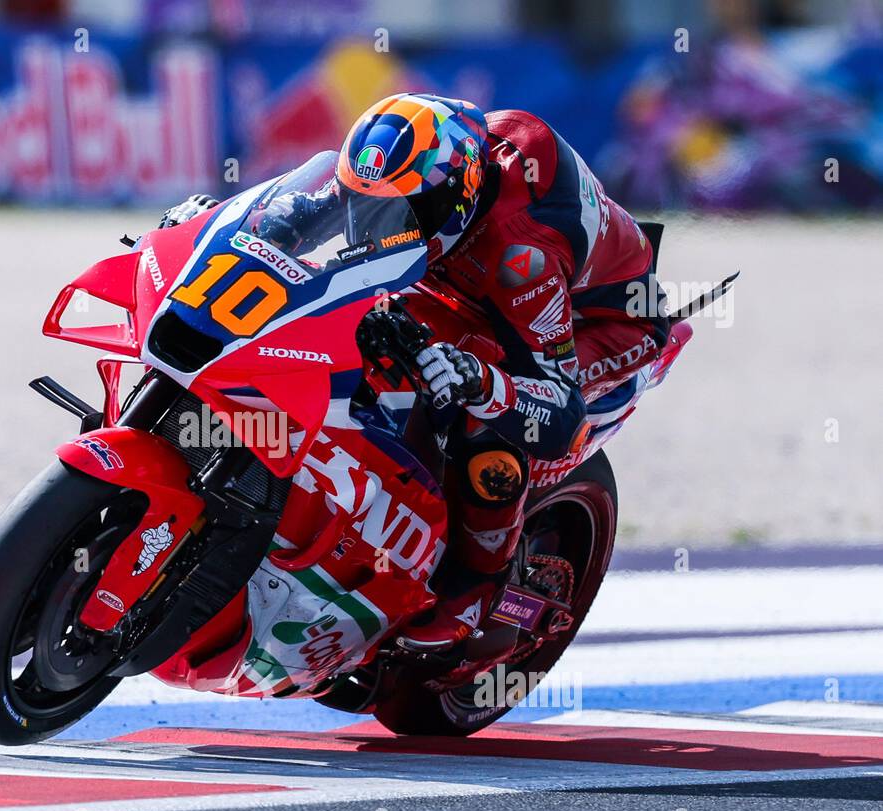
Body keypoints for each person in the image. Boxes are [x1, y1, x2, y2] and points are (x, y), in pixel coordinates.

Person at [161, 93, 668, 647]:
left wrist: (479, 380)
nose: (375, 223)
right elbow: (302, 214)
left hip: (597, 322)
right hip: (462, 288)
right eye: (367, 203)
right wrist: (208, 226)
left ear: (456, 197)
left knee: (485, 419)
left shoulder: (523, 257)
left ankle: (475, 586)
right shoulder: (413, 173)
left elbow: (560, 410)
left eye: (398, 213)